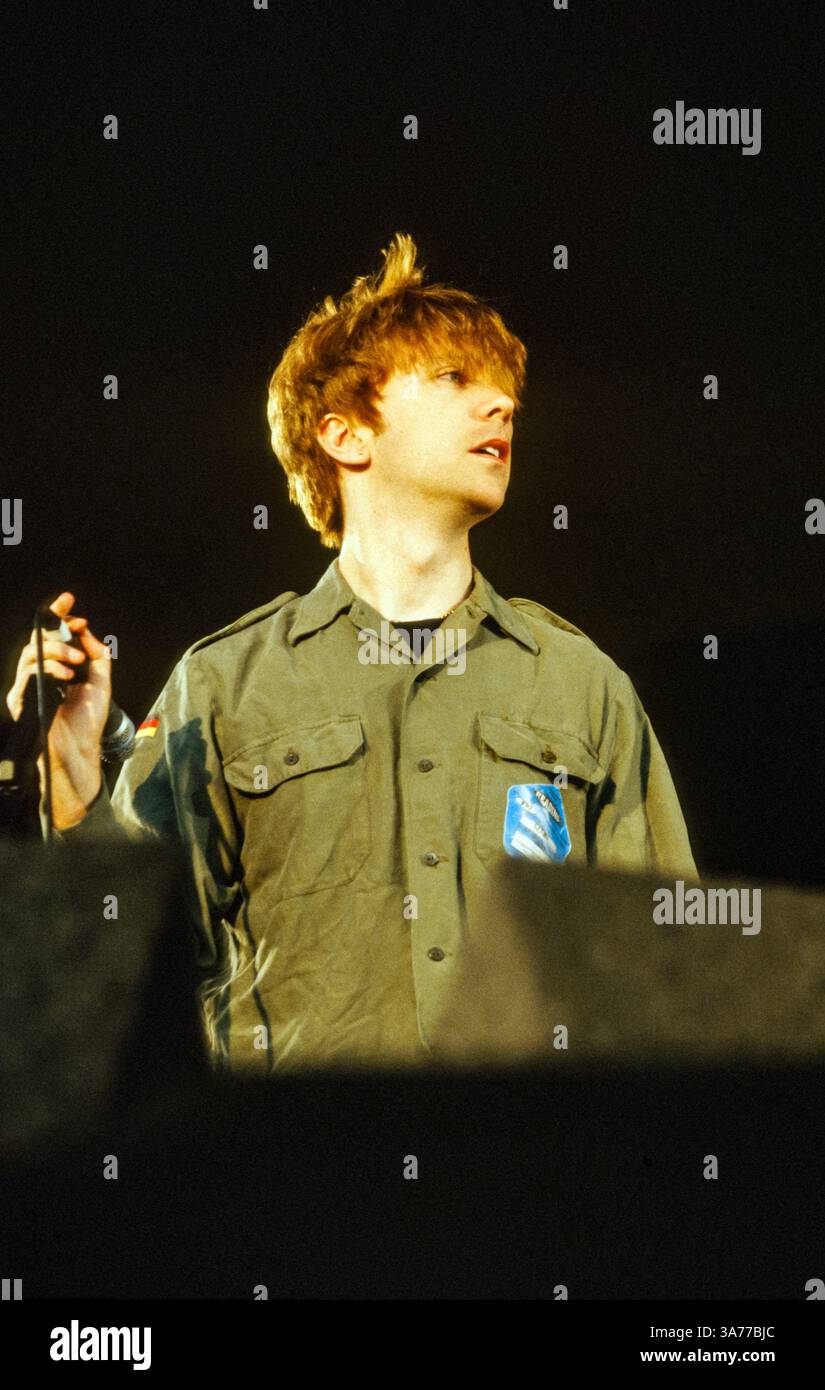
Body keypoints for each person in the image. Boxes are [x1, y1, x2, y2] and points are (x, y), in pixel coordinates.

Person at [5, 233, 698, 1075]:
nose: (502, 406)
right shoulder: (223, 685)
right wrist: (77, 786)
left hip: (528, 1187)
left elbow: (666, 974)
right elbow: (117, 978)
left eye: (506, 391)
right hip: (297, 1189)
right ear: (342, 434)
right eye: (454, 379)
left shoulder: (581, 685)